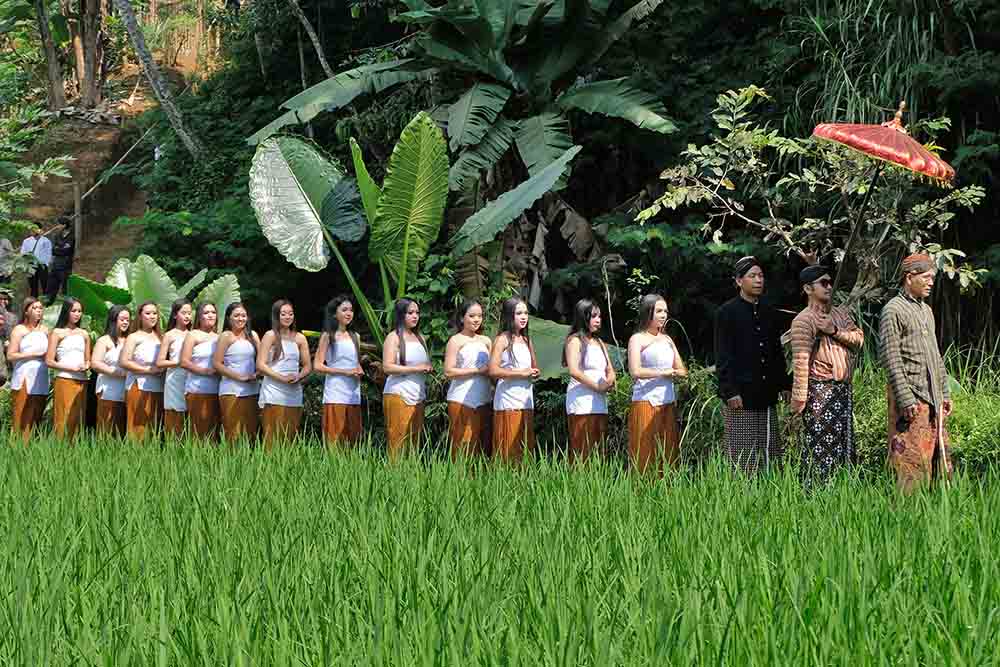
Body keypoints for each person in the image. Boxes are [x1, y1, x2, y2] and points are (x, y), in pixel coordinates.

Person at [879, 253, 953, 493]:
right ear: (909, 277)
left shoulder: (926, 311)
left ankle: (934, 512)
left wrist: (945, 392)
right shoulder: (893, 310)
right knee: (910, 462)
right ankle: (906, 518)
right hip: (911, 397)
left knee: (937, 459)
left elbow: (935, 355)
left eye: (933, 277)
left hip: (933, 397)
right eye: (926, 277)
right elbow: (891, 358)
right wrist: (905, 398)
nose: (931, 282)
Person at [714, 256, 792, 475]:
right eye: (752, 276)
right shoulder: (726, 313)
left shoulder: (769, 312)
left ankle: (771, 490)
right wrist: (730, 391)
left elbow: (776, 353)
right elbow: (723, 356)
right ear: (739, 281)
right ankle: (741, 496)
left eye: (761, 276)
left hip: (766, 393)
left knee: (770, 451)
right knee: (742, 454)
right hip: (740, 395)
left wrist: (784, 384)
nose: (758, 280)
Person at [790, 266, 865, 481]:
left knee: (845, 445)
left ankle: (843, 493)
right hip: (819, 390)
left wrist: (834, 331)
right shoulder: (803, 320)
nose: (829, 287)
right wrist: (799, 401)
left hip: (843, 389)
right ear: (807, 288)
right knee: (820, 447)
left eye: (830, 282)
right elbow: (801, 362)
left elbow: (859, 339)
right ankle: (816, 495)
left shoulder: (839, 314)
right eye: (823, 283)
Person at [627, 294, 687, 473]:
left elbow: (682, 369)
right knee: (645, 453)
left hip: (667, 402)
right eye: (659, 311)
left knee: (669, 454)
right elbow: (635, 371)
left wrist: (677, 373)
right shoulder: (637, 339)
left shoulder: (667, 339)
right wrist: (663, 373)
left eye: (665, 311)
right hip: (646, 401)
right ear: (647, 312)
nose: (663, 315)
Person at [564, 299, 616, 463]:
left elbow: (609, 368)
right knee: (582, 451)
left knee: (599, 451)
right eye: (593, 316)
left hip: (599, 402)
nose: (598, 320)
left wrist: (610, 380)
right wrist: (597, 387)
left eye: (599, 316)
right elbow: (574, 371)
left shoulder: (599, 342)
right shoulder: (575, 340)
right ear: (583, 317)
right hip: (581, 402)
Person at [489, 297, 540, 463]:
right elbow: (493, 370)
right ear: (509, 316)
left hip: (526, 398)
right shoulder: (502, 339)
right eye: (519, 313)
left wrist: (533, 372)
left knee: (524, 445)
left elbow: (532, 366)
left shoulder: (527, 340)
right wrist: (521, 373)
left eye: (525, 313)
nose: (524, 317)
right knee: (507, 446)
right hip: (508, 399)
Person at [382, 298, 432, 460]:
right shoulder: (393, 337)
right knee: (397, 441)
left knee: (414, 442)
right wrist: (416, 369)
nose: (415, 316)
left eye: (417, 313)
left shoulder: (420, 338)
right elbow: (387, 367)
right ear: (400, 314)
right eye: (410, 313)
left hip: (418, 395)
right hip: (398, 394)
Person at [257, 299, 310, 448]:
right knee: (271, 438)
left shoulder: (300, 338)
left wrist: (298, 376)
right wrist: (281, 378)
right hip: (273, 391)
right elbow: (260, 364)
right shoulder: (270, 335)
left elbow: (307, 366)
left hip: (294, 391)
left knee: (290, 437)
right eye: (283, 314)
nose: (288, 317)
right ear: (276, 316)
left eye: (290, 314)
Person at [444, 299, 493, 460]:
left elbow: (492, 369)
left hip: (485, 397)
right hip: (461, 398)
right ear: (461, 318)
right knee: (462, 444)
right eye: (472, 316)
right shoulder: (455, 340)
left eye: (480, 316)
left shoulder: (486, 341)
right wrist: (477, 370)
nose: (477, 319)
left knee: (483, 445)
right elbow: (449, 371)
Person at [313, 296, 364, 448]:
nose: (349, 313)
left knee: (353, 438)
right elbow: (318, 365)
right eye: (344, 310)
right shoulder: (328, 335)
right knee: (335, 439)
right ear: (335, 314)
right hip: (335, 392)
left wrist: (359, 370)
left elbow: (356, 363)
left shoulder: (356, 337)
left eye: (351, 310)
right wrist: (345, 372)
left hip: (354, 393)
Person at [213, 303, 261, 443]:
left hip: (252, 389)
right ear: (229, 318)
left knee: (251, 432)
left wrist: (256, 374)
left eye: (243, 315)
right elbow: (217, 363)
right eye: (236, 315)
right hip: (231, 390)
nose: (240, 319)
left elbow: (262, 359)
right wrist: (239, 377)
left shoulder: (253, 335)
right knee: (233, 433)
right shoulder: (226, 336)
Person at [45, 297, 91, 440]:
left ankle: (76, 451)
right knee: (63, 417)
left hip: (82, 380)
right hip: (64, 379)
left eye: (79, 311)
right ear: (66, 312)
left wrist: (86, 365)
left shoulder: (84, 334)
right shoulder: (57, 332)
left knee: (78, 417)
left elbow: (88, 359)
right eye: (74, 311)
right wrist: (70, 368)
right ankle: (60, 449)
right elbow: (49, 361)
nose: (77, 314)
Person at [120, 302, 165, 440]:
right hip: (138, 385)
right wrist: (148, 370)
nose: (152, 316)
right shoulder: (134, 337)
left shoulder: (161, 337)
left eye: (154, 313)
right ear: (140, 316)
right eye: (148, 313)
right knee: (138, 426)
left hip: (159, 386)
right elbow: (124, 361)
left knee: (155, 425)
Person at [7, 297, 49, 441]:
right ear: (26, 311)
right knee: (21, 410)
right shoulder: (19, 330)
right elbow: (11, 355)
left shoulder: (45, 330)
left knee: (37, 410)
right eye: (35, 308)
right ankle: (16, 443)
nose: (38, 311)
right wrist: (33, 354)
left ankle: (32, 441)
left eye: (40, 308)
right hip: (24, 373)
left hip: (42, 374)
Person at [181, 303, 220, 439]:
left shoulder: (219, 337)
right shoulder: (193, 335)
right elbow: (184, 362)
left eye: (213, 312)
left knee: (214, 432)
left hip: (218, 390)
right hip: (198, 389)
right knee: (199, 431)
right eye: (206, 312)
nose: (210, 315)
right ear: (199, 316)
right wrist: (205, 371)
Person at [155, 299, 193, 437]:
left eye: (189, 313)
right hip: (175, 379)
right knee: (175, 414)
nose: (187, 316)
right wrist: (178, 362)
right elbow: (160, 362)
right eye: (184, 313)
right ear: (175, 315)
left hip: (192, 377)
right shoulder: (170, 335)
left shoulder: (193, 333)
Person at [92, 306, 130, 437]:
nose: (125, 322)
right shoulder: (104, 340)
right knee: (107, 427)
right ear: (113, 320)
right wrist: (117, 373)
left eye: (127, 320)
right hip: (109, 389)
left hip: (127, 389)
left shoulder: (130, 340)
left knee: (123, 427)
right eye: (122, 319)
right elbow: (95, 363)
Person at [45, 218, 75, 303]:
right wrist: (61, 248)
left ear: (64, 225)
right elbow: (53, 250)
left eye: (59, 224)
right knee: (51, 287)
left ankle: (66, 307)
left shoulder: (71, 236)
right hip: (55, 265)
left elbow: (67, 250)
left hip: (66, 266)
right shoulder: (57, 235)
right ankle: (49, 304)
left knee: (65, 289)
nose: (57, 226)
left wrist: (59, 248)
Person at [20, 226, 51, 299]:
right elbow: (23, 253)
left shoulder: (46, 241)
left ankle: (45, 302)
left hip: (42, 265)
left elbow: (48, 253)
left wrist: (46, 263)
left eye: (34, 229)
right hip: (30, 265)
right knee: (33, 286)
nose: (32, 231)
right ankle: (34, 302)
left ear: (39, 230)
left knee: (45, 284)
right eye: (31, 230)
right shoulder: (26, 241)